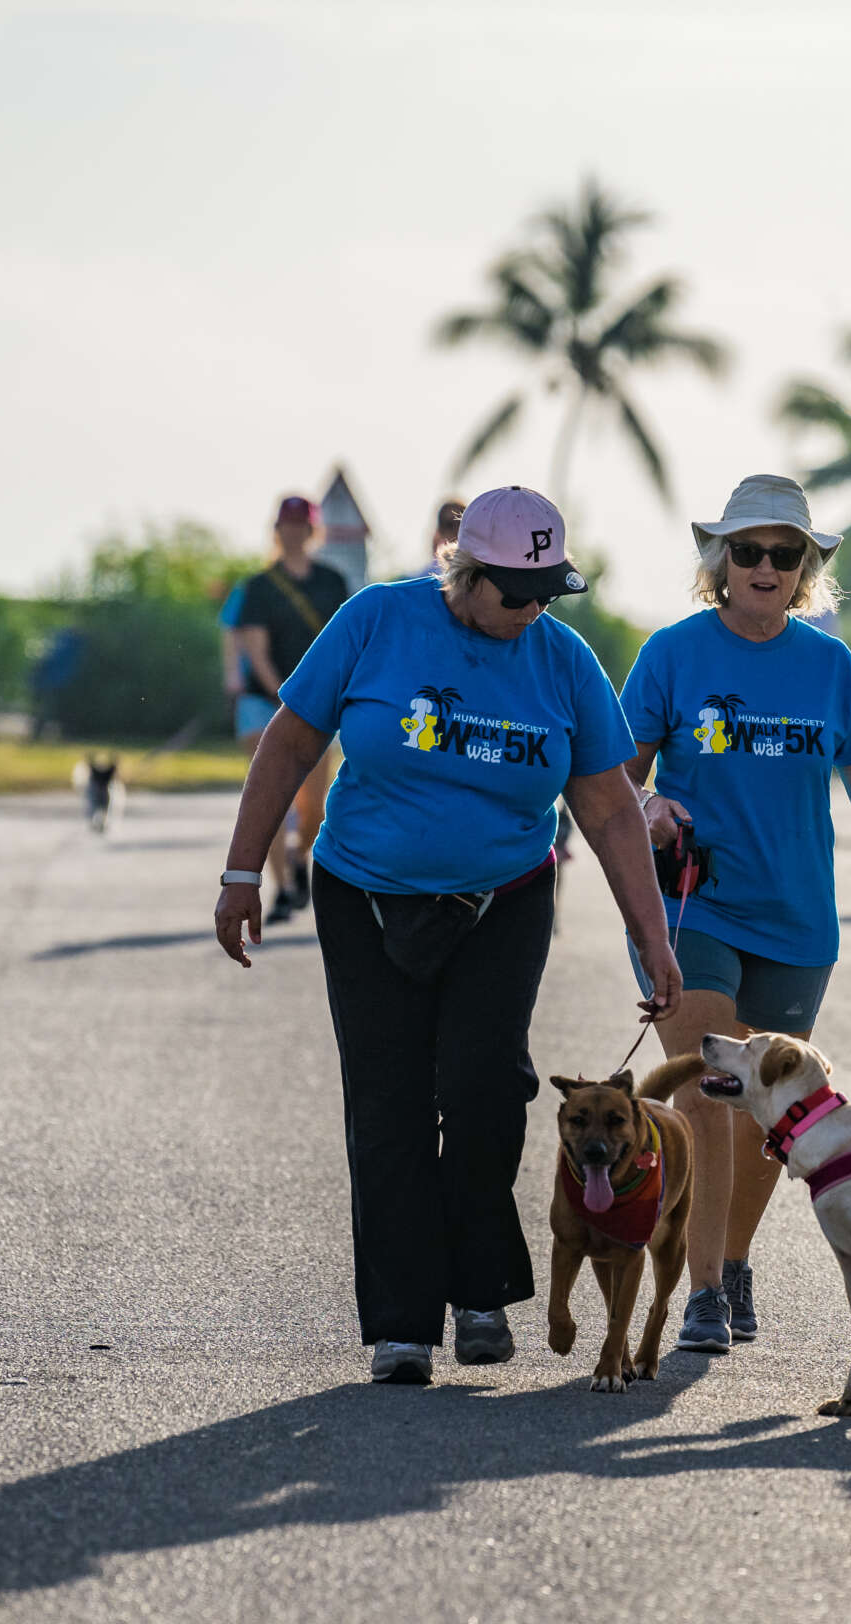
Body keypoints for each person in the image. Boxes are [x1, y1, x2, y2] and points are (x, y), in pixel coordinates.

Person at [215, 484, 680, 1381]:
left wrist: (652, 936)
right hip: (365, 893)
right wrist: (243, 871)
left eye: (547, 591)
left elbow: (611, 811)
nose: (531, 609)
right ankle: (401, 1323)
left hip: (502, 898)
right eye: (514, 591)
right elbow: (289, 743)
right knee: (387, 1103)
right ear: (463, 574)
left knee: (483, 1089)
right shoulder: (377, 621)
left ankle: (477, 1292)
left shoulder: (563, 660)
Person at [622, 473, 851, 1354]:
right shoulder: (672, 654)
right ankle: (697, 1293)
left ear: (805, 568)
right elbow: (616, 774)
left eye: (785, 552)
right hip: (695, 905)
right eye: (748, 550)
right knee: (704, 1091)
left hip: (799, 919)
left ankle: (730, 1262)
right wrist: (650, 808)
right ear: (719, 560)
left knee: (769, 1108)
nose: (765, 566)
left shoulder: (827, 664)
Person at [231, 496, 349, 925]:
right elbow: (255, 649)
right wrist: (283, 693)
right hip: (266, 703)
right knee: (271, 799)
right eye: (287, 524)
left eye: (302, 524)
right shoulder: (260, 587)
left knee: (314, 808)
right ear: (277, 530)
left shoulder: (333, 583)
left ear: (312, 530)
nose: (294, 531)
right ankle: (281, 886)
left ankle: (300, 863)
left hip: (319, 709)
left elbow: (343, 644)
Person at [416, 498, 466, 580]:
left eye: (456, 524)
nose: (455, 530)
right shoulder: (482, 574)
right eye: (450, 524)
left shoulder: (423, 578)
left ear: (438, 531)